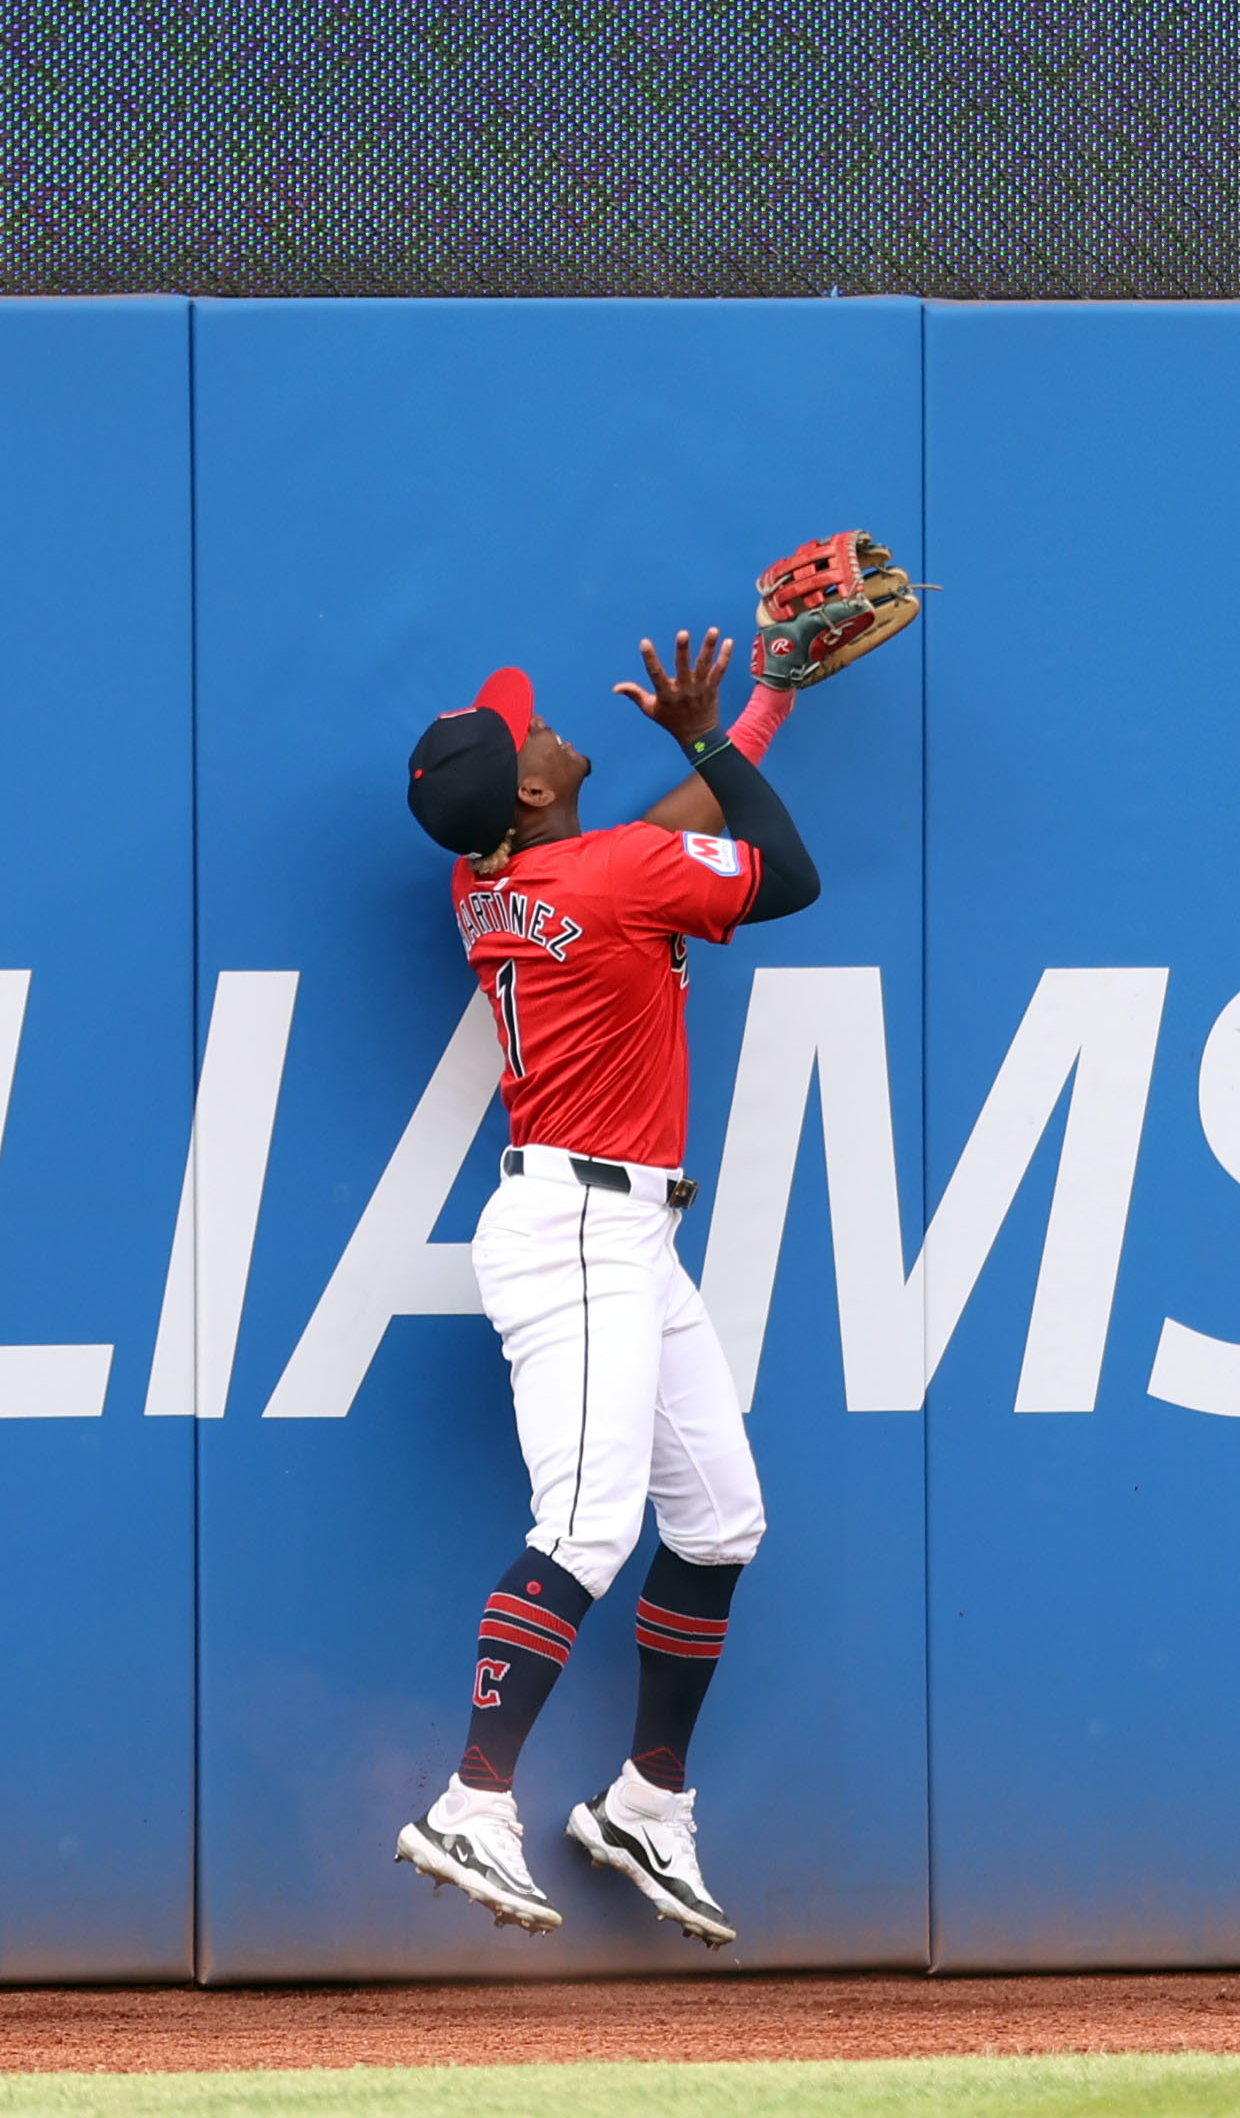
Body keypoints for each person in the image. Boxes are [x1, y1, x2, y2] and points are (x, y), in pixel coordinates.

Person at [395, 624, 816, 1943]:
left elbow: (660, 843)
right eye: (526, 733)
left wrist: (766, 703)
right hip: (579, 1233)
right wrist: (706, 734)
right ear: (531, 792)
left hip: (611, 1232)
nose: (542, 725)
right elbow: (783, 873)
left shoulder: (496, 876)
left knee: (720, 1522)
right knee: (587, 1528)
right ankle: (471, 1799)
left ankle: (647, 1798)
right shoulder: (613, 872)